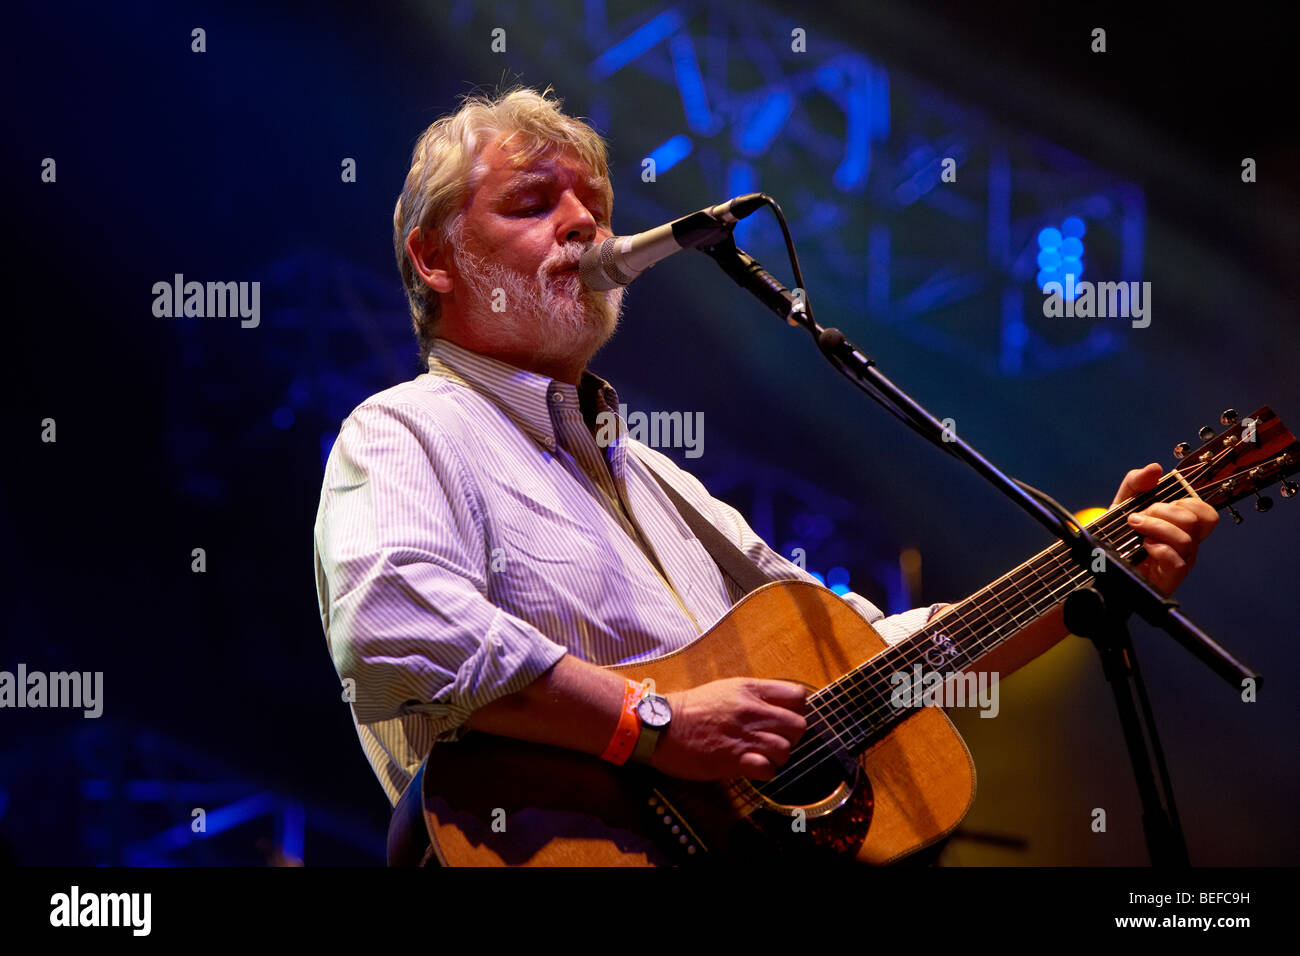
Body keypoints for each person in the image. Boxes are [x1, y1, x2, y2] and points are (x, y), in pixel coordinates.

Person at [312, 86, 1218, 832]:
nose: (583, 225)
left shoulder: (656, 475)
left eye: (593, 202)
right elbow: (395, 624)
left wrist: (1087, 575)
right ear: (435, 258)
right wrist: (651, 725)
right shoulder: (403, 431)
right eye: (533, 203)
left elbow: (856, 651)